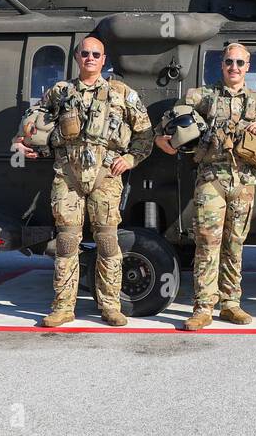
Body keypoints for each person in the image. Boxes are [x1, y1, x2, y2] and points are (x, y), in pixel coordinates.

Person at [13, 35, 154, 328]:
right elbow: (33, 118)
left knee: (107, 242)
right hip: (68, 176)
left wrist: (130, 159)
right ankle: (63, 306)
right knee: (66, 242)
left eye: (96, 54)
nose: (90, 58)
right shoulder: (60, 92)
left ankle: (111, 306)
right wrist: (19, 140)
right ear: (77, 57)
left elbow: (145, 133)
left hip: (106, 177)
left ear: (104, 60)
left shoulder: (121, 93)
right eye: (85, 53)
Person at [155, 43, 256, 330]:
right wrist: (166, 143)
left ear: (248, 67)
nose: (233, 68)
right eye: (228, 62)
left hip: (244, 181)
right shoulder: (202, 95)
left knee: (235, 244)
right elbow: (168, 126)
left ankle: (231, 303)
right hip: (211, 179)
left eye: (239, 63)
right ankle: (203, 307)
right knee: (207, 243)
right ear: (221, 65)